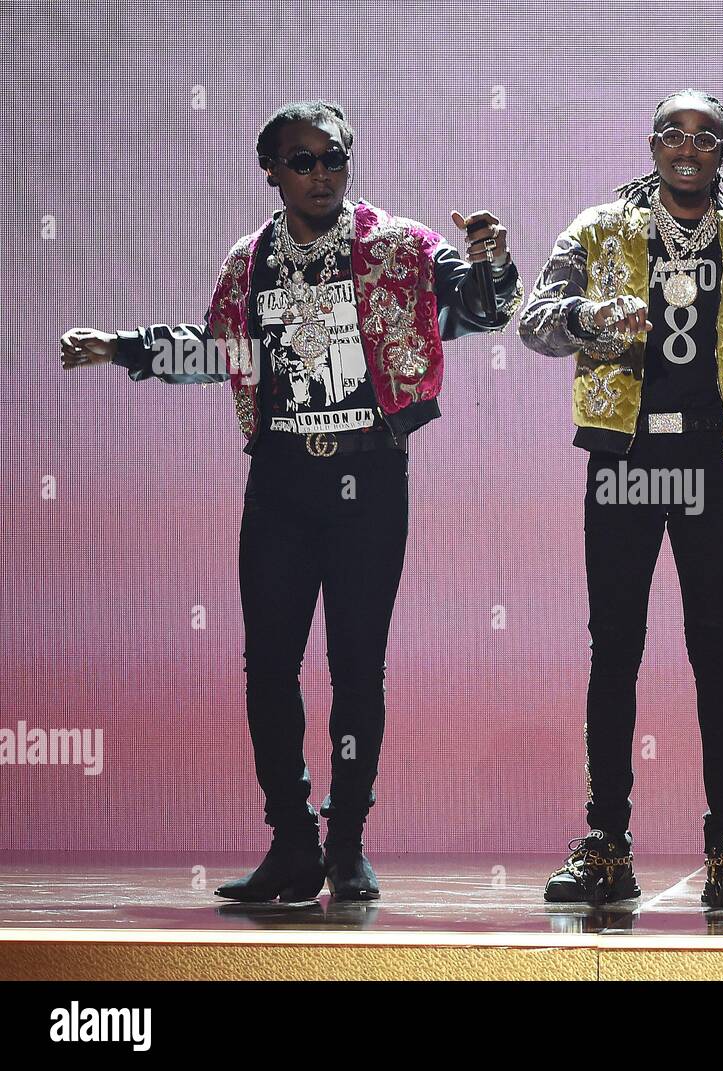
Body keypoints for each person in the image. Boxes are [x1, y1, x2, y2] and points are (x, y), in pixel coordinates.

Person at [59, 99, 522, 902]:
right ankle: (292, 844)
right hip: (279, 480)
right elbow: (220, 351)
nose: (321, 174)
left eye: (334, 158)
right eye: (302, 161)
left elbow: (480, 310)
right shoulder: (248, 262)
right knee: (268, 667)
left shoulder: (399, 248)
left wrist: (489, 261)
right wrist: (123, 347)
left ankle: (346, 846)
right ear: (270, 170)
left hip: (368, 480)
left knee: (355, 668)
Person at [518, 89, 723, 909]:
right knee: (616, 649)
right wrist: (588, 316)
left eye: (704, 137)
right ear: (650, 144)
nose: (687, 148)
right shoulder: (600, 229)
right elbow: (534, 321)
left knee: (717, 652)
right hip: (625, 460)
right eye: (673, 134)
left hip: (712, 463)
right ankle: (607, 842)